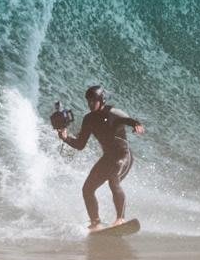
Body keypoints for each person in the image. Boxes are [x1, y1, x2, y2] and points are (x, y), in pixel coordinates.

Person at [52, 84, 145, 228]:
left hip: (123, 156)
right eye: (88, 101)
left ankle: (120, 219)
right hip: (108, 158)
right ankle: (95, 223)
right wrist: (65, 138)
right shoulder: (88, 119)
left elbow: (128, 120)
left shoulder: (113, 113)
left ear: (101, 100)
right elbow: (80, 144)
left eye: (93, 101)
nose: (90, 104)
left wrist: (136, 125)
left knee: (113, 180)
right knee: (87, 189)